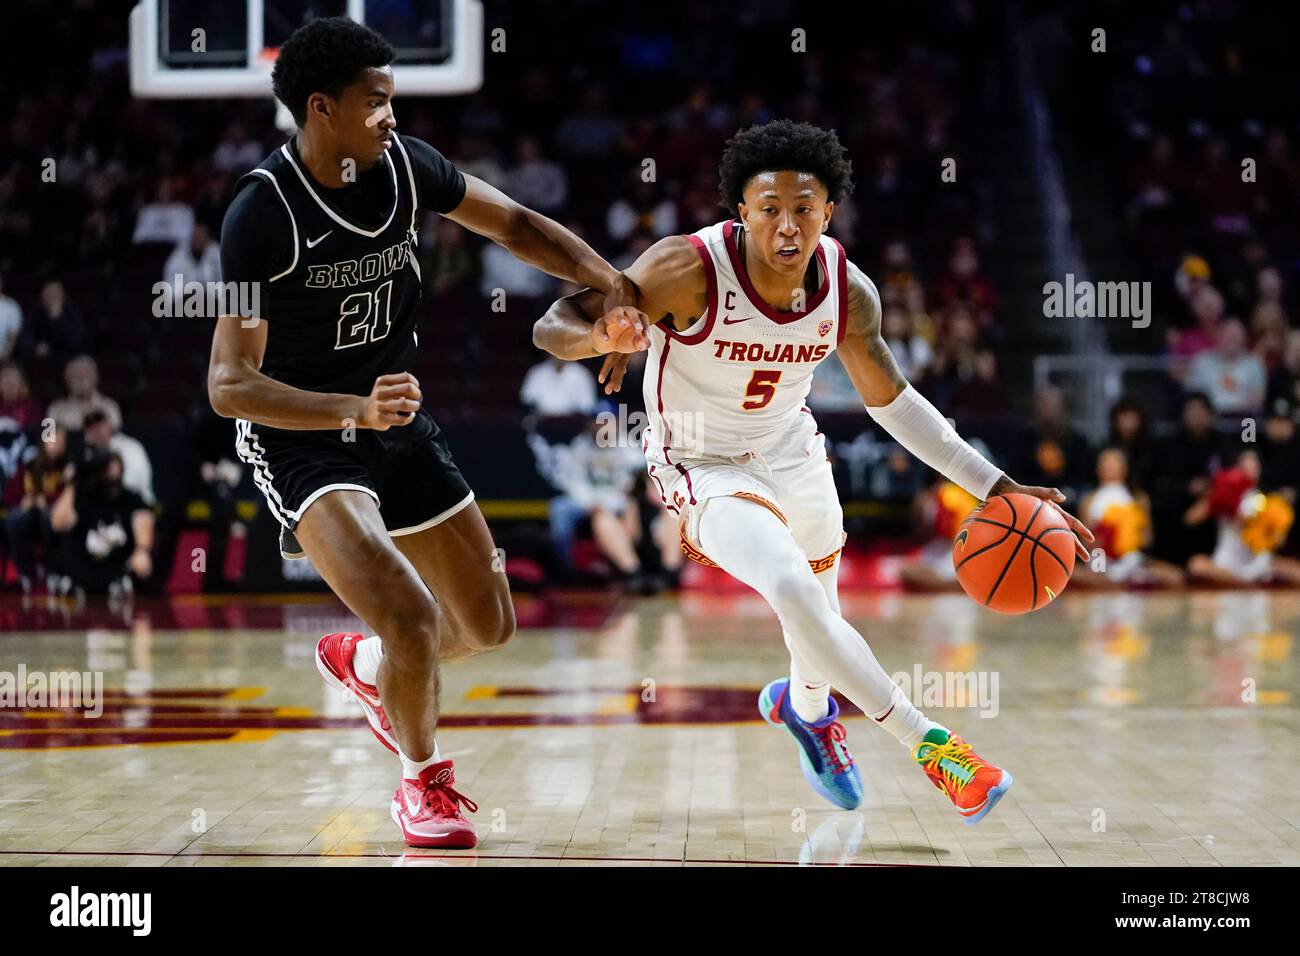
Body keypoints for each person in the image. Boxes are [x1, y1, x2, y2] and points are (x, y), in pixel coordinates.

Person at [534, 120, 1093, 823]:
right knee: (791, 587)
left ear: (830, 211)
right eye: (769, 209)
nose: (788, 225)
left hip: (793, 449)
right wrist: (596, 335)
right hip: (700, 458)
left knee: (818, 615)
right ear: (742, 212)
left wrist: (996, 486)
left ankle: (805, 712)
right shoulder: (684, 268)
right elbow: (550, 322)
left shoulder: (849, 292)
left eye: (805, 208)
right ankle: (937, 749)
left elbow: (892, 400)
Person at [208, 18, 639, 849]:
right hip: (301, 434)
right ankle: (422, 785)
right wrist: (349, 410)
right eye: (375, 103)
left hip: (396, 418)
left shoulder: (408, 168)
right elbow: (230, 385)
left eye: (392, 99)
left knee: (487, 626)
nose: (390, 116)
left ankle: (366, 668)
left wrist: (609, 280)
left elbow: (514, 224)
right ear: (321, 108)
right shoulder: (261, 213)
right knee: (408, 615)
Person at [1071, 448, 1184, 589]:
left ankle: (1118, 583)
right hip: (1100, 560)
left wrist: (1128, 535)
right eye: (1106, 463)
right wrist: (1104, 536)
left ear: (1125, 468)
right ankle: (1124, 583)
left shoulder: (1139, 498)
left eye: (1115, 463)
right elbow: (1085, 544)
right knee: (1073, 573)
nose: (1110, 466)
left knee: (1175, 577)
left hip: (1130, 559)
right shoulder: (1088, 500)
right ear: (1098, 469)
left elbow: (1148, 538)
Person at [49, 449, 153, 600]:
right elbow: (58, 523)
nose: (109, 470)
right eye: (105, 466)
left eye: (113, 464)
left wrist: (142, 550)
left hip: (117, 571)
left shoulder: (132, 498)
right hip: (83, 571)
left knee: (142, 568)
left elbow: (143, 519)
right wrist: (73, 483)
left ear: (122, 468)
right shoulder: (84, 496)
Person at [1186, 449, 1300, 585]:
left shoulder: (1269, 501)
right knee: (1196, 565)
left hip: (1258, 563)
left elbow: (1279, 541)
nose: (1250, 466)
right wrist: (1213, 499)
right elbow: (1190, 519)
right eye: (1245, 462)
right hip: (1226, 564)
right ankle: (1246, 584)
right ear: (1236, 467)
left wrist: (1269, 534)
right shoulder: (1222, 492)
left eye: (1254, 462)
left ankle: (1243, 583)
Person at [46, 355, 122, 432]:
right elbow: (47, 438)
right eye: (76, 376)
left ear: (95, 378)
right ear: (67, 380)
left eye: (85, 375)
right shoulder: (55, 409)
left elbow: (116, 435)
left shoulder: (110, 407)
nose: (81, 381)